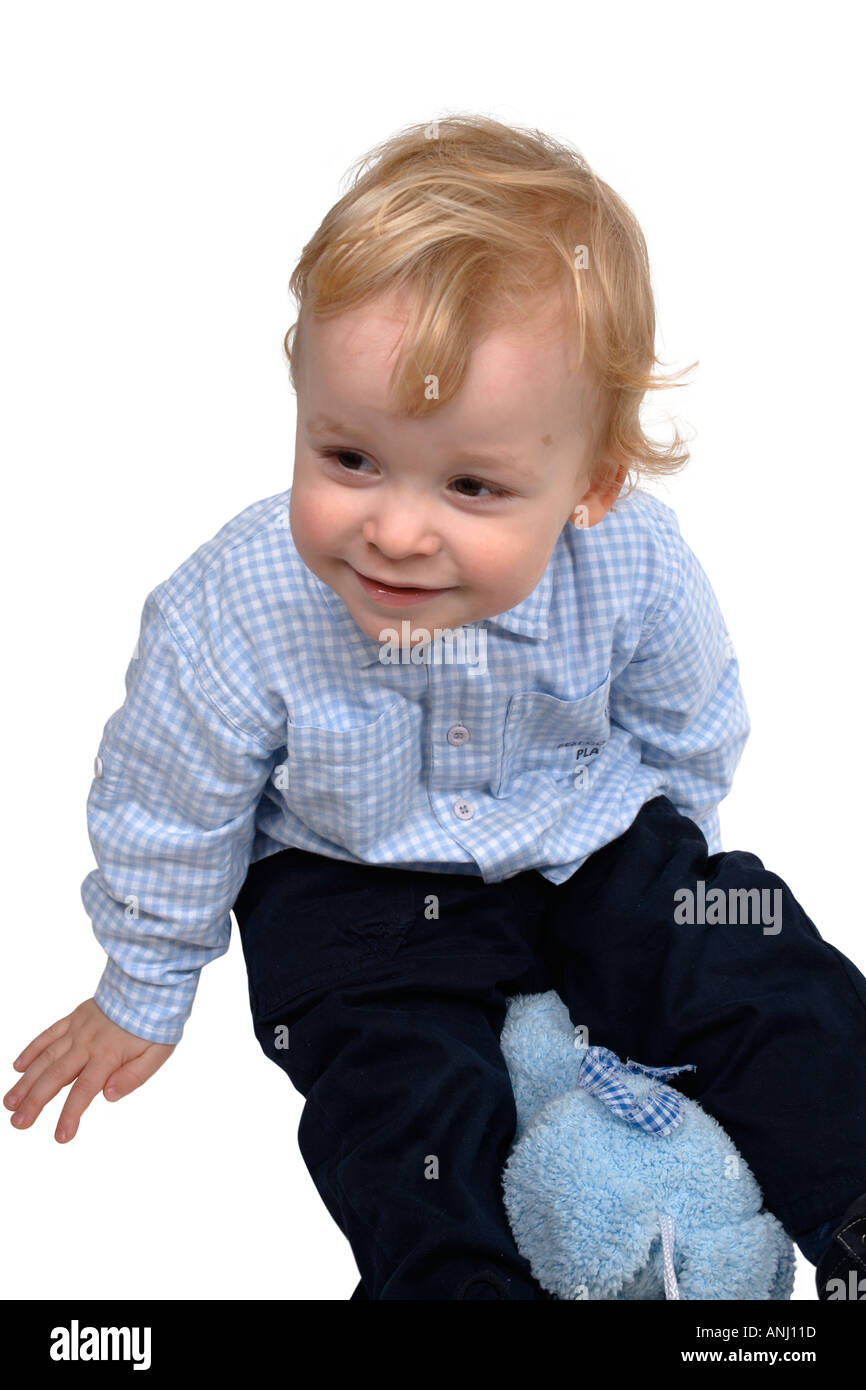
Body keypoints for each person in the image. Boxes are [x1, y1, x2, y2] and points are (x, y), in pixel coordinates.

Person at [6, 115, 866, 1301]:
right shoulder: (240, 603)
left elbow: (686, 715)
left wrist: (673, 887)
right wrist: (144, 981)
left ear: (591, 482)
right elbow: (173, 793)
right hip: (348, 880)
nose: (397, 529)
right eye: (349, 457)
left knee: (762, 965)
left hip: (577, 831)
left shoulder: (633, 562)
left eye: (470, 483)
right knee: (405, 1106)